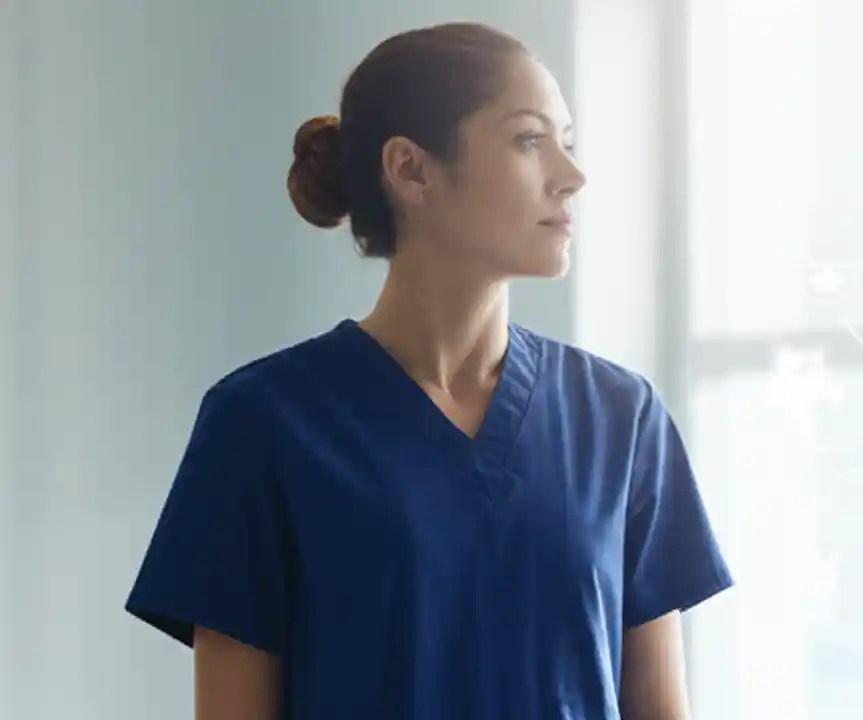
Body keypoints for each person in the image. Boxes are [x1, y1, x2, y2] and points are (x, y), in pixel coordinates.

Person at [123, 20, 733, 720]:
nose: (572, 177)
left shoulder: (621, 419)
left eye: (566, 142)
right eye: (529, 140)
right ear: (412, 170)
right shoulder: (262, 424)